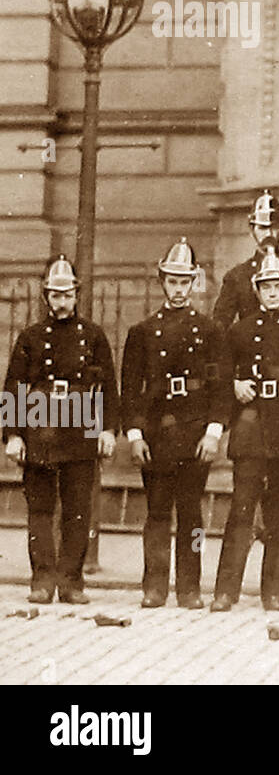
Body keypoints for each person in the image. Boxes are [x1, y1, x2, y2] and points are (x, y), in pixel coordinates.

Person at [2, 256, 119, 604]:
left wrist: (109, 430)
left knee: (77, 509)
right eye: (55, 295)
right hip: (41, 424)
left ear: (77, 295)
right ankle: (41, 580)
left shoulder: (93, 336)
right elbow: (14, 388)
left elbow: (109, 389)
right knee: (40, 509)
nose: (61, 302)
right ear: (45, 296)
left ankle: (71, 582)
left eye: (67, 295)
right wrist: (12, 434)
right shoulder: (31, 337)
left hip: (80, 424)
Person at [121, 239, 229, 609]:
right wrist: (134, 435)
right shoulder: (143, 332)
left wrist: (214, 432)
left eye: (185, 282)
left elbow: (221, 389)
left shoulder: (211, 331)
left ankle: (190, 587)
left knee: (193, 516)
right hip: (157, 436)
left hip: (196, 434)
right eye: (172, 281)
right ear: (162, 281)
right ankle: (154, 586)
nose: (179, 289)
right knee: (156, 514)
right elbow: (130, 390)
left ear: (195, 282)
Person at [211, 247, 279, 612]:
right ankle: (226, 591)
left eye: (278, 287)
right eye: (266, 287)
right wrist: (235, 387)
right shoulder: (239, 332)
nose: (272, 293)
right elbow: (220, 375)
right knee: (241, 511)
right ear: (257, 291)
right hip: (251, 431)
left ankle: (275, 592)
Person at [213, 191, 279, 330]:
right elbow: (221, 321)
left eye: (274, 227)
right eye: (263, 228)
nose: (269, 234)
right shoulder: (237, 276)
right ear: (252, 229)